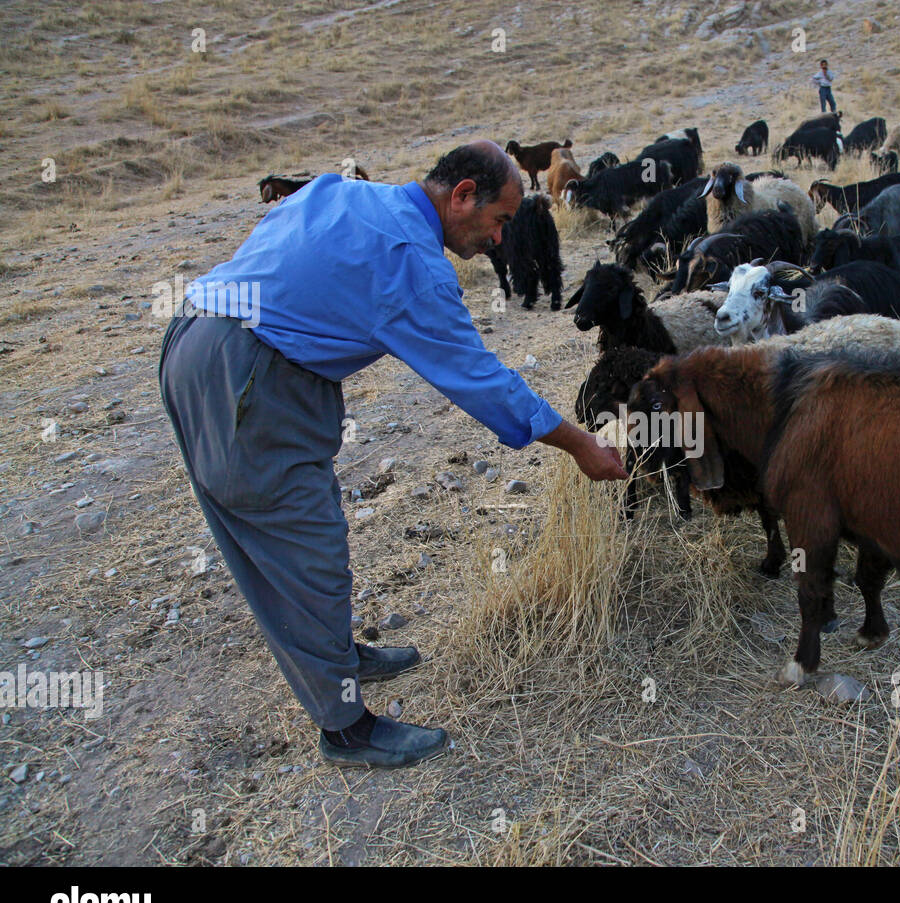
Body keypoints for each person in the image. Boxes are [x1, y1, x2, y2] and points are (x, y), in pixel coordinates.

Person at [159, 141, 626, 769]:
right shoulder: (412, 259)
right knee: (304, 553)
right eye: (500, 222)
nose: (498, 240)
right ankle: (345, 728)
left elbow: (279, 230)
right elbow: (480, 380)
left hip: (207, 338)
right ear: (462, 195)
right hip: (246, 373)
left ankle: (340, 659)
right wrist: (578, 445)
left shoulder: (350, 192)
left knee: (311, 527)